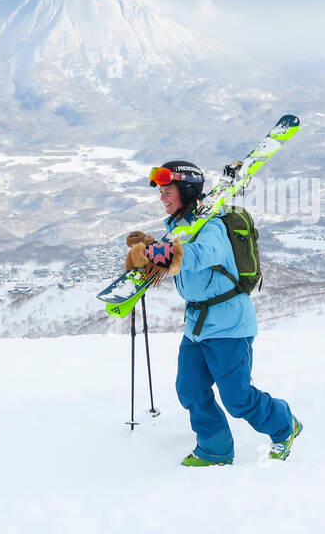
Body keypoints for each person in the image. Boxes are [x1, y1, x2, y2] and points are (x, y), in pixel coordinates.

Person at [125, 160, 301, 467]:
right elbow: (177, 259)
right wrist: (149, 255)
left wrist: (165, 253)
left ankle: (285, 426)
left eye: (169, 190)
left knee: (238, 399)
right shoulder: (180, 226)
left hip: (228, 324)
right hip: (196, 326)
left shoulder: (213, 224)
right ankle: (214, 448)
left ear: (186, 189)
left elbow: (202, 254)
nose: (163, 197)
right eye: (161, 191)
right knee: (190, 389)